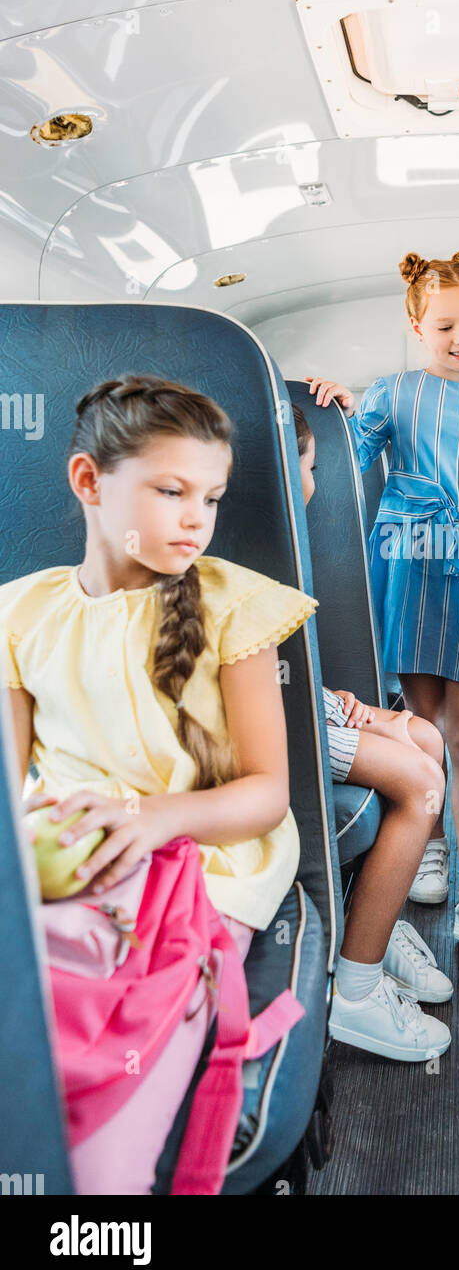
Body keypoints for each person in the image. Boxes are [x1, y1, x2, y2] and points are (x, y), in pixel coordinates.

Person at [0, 373, 321, 1194]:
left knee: (106, 1110)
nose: (195, 520)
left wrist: (148, 819)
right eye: (171, 491)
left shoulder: (230, 608)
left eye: (208, 498)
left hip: (201, 860)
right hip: (65, 851)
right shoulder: (20, 614)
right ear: (88, 481)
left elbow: (265, 794)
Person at [307, 245, 459, 953]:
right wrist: (334, 410)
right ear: (416, 326)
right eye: (444, 327)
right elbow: (341, 461)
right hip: (407, 571)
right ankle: (429, 844)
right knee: (425, 723)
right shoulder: (389, 394)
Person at [291, 403, 453, 1058]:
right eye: (308, 466)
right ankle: (355, 993)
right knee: (420, 781)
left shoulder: (283, 537)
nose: (310, 482)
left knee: (425, 738)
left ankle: (377, 933)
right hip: (283, 723)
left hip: (307, 704)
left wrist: (333, 700)